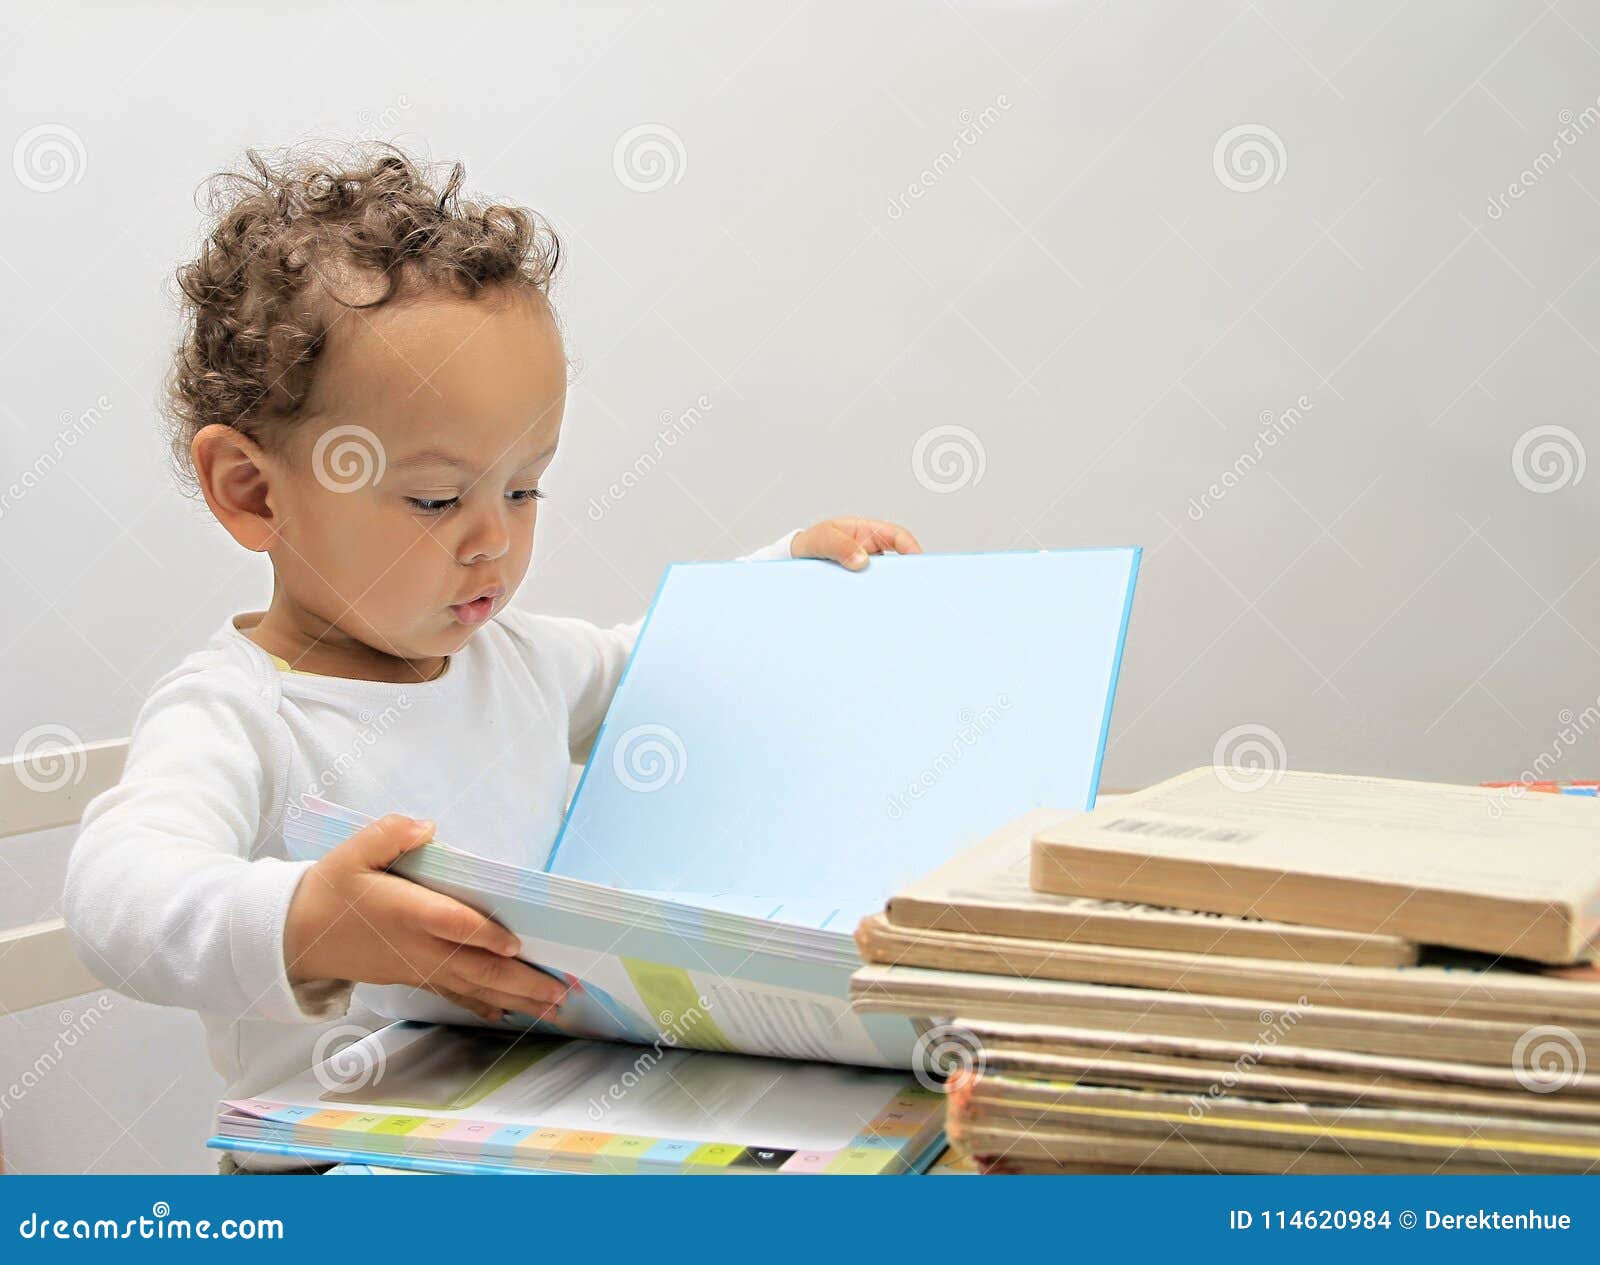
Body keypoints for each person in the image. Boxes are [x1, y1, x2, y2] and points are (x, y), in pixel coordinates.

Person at [62, 143, 921, 1172]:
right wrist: (306, 922)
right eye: (435, 498)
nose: (493, 542)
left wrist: (789, 569)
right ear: (253, 491)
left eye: (523, 489)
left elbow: (664, 666)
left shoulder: (515, 661)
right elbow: (116, 893)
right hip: (333, 1173)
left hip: (540, 1131)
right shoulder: (237, 711)